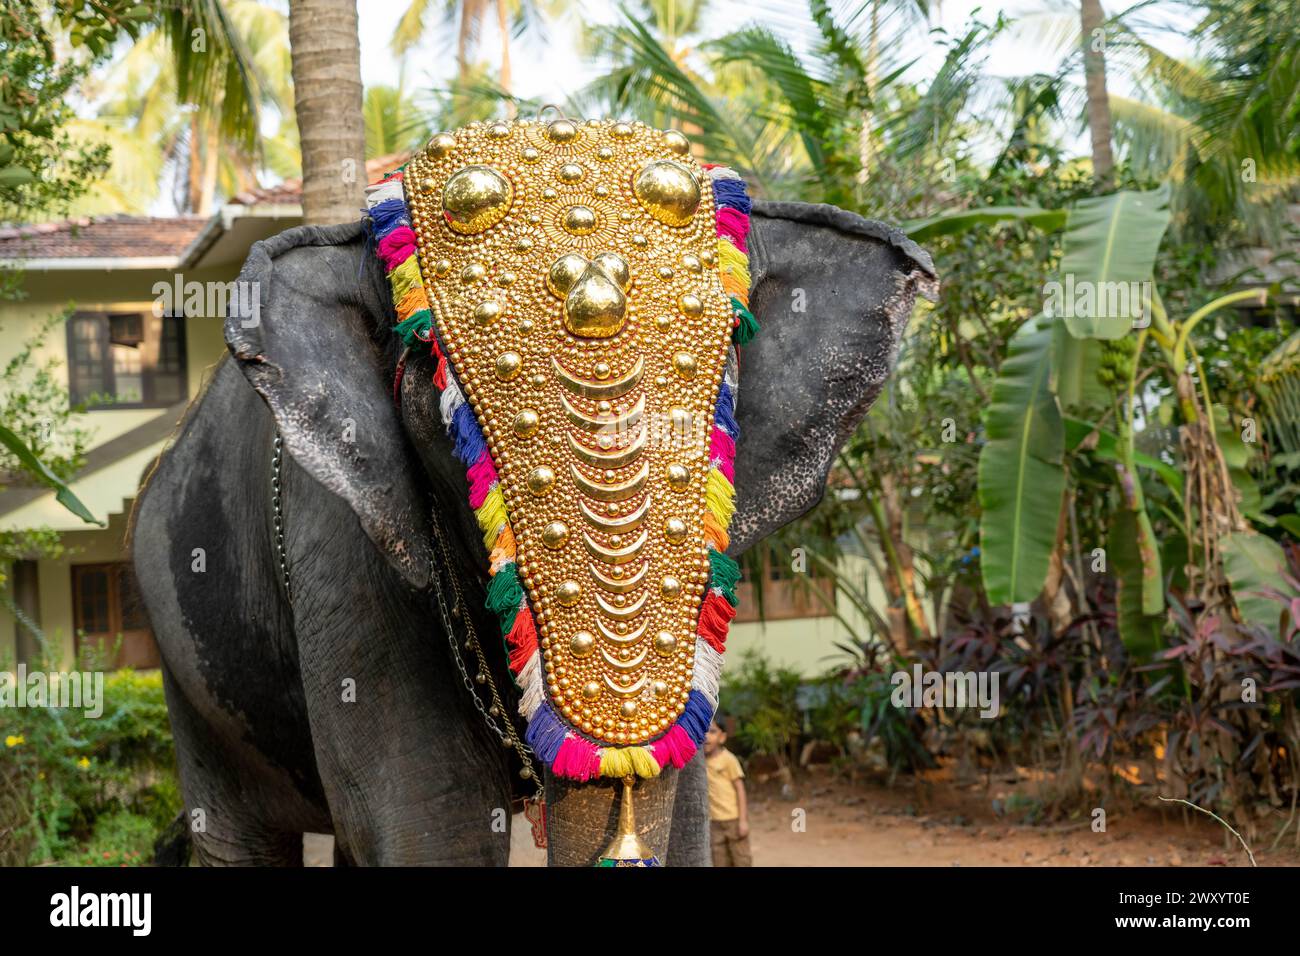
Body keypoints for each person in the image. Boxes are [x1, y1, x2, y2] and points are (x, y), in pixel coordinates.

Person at [705, 718, 751, 866]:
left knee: (741, 859)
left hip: (733, 819)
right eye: (704, 731)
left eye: (712, 731)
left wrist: (743, 820)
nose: (707, 736)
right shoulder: (699, 763)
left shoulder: (728, 759)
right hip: (713, 821)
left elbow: (740, 789)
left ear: (722, 737)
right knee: (719, 860)